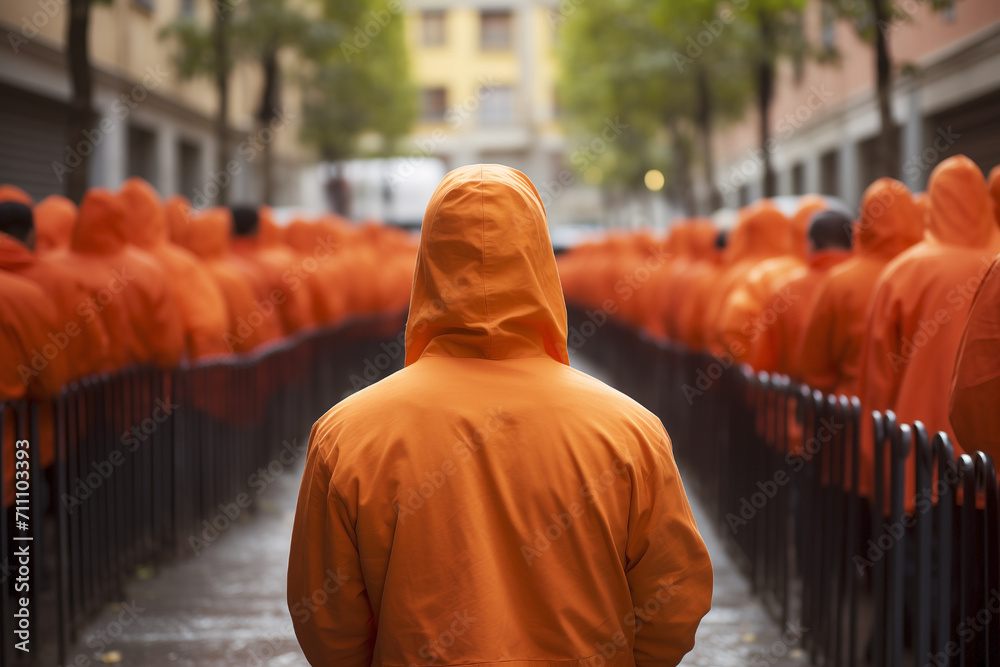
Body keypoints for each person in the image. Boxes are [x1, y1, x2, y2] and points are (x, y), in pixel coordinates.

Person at [287, 165, 713, 667]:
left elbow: (326, 618)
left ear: (428, 260)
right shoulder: (628, 430)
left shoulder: (346, 433)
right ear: (539, 259)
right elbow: (673, 597)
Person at [857, 156, 1000, 505]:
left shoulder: (903, 272)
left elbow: (877, 382)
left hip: (916, 459)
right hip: (988, 468)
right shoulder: (996, 263)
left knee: (922, 556)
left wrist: (871, 467)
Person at [797, 179, 924, 398]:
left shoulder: (840, 282)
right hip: (922, 420)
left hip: (854, 412)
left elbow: (814, 365)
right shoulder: (927, 275)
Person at [764, 210, 853, 380]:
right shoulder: (879, 281)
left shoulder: (784, 290)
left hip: (798, 401)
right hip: (871, 404)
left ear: (811, 244)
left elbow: (763, 364)